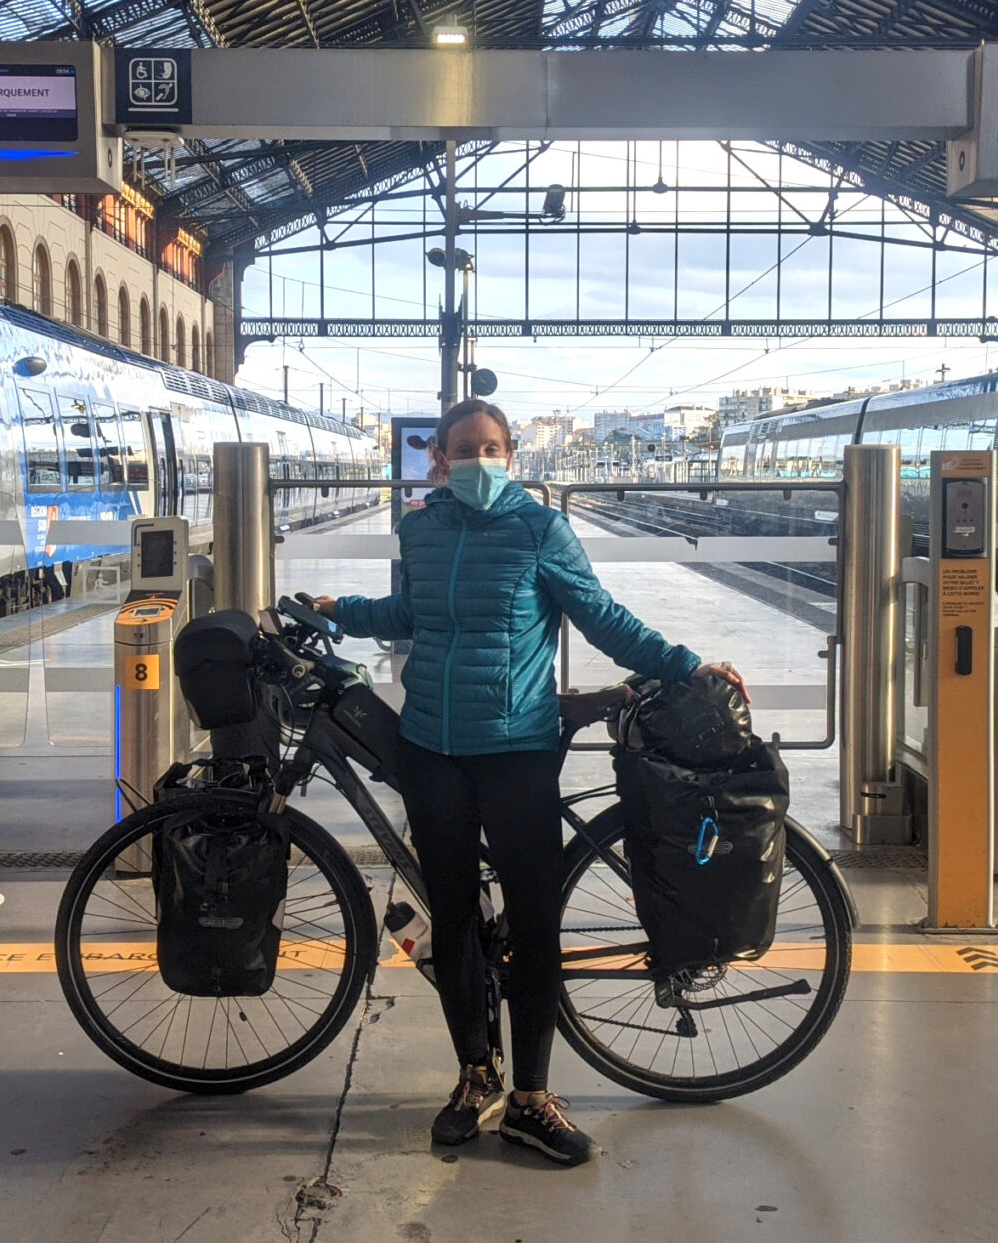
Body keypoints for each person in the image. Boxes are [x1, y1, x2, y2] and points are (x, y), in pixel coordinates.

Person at [313, 399, 746, 1167]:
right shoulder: (422, 527)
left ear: (511, 454)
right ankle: (474, 1075)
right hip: (432, 750)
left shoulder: (540, 529)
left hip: (516, 749)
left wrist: (685, 663)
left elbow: (603, 618)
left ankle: (532, 1099)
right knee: (452, 921)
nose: (478, 460)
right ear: (440, 461)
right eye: (463, 450)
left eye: (492, 447)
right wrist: (338, 610)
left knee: (535, 925)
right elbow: (410, 609)